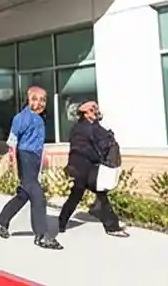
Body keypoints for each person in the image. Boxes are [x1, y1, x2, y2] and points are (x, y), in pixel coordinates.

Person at [0, 86, 62, 250]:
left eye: (42, 100)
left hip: (35, 157)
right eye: (35, 99)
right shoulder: (21, 118)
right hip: (25, 156)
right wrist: (13, 161)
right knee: (38, 195)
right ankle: (42, 235)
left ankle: (2, 220)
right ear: (28, 100)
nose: (39, 103)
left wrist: (42, 157)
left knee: (24, 194)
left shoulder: (39, 119)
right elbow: (12, 140)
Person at [58, 101, 128, 237]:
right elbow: (99, 143)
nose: (94, 113)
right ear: (84, 113)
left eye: (95, 110)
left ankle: (62, 222)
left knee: (81, 196)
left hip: (86, 168)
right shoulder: (84, 128)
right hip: (82, 169)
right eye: (91, 110)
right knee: (87, 195)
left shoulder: (88, 127)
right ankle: (111, 227)